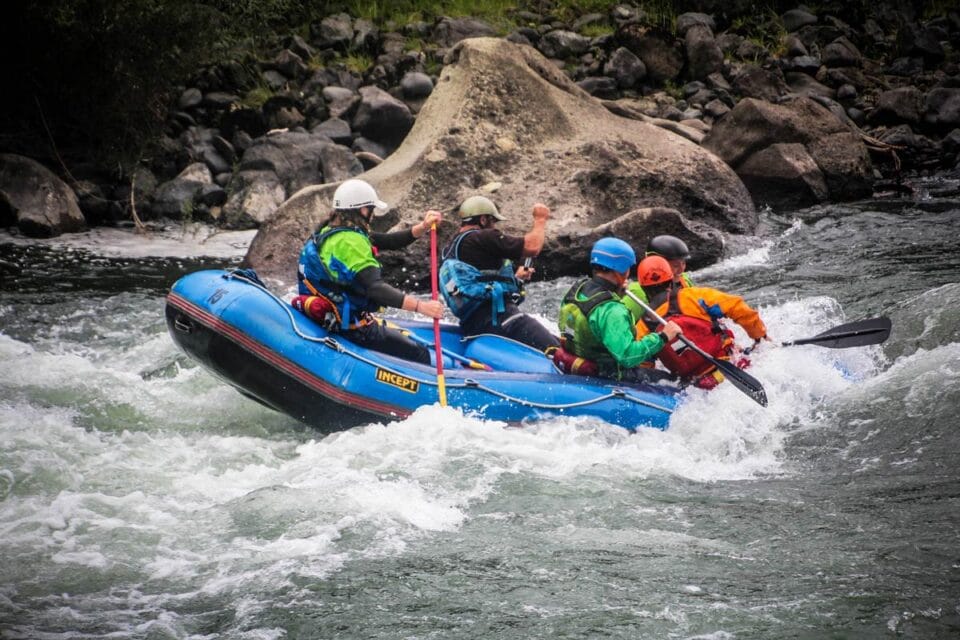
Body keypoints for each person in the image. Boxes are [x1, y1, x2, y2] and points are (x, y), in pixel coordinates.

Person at [294, 178, 444, 365]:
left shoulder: (332, 232)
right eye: (371, 209)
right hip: (353, 328)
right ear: (361, 210)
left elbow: (389, 241)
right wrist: (421, 307)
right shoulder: (351, 244)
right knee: (420, 353)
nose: (372, 215)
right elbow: (375, 289)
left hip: (334, 316)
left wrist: (422, 227)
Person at [438, 195, 559, 352]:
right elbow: (533, 246)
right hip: (503, 320)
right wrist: (540, 219)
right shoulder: (483, 237)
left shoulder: (449, 249)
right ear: (483, 220)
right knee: (558, 351)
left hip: (474, 326)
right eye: (493, 221)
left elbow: (479, 279)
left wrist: (516, 278)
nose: (495, 227)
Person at [555, 237, 682, 381]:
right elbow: (628, 357)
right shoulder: (612, 310)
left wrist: (615, 294)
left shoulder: (577, 288)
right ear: (620, 270)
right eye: (627, 269)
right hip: (606, 374)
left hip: (577, 360)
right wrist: (662, 337)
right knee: (672, 380)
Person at [633, 255, 769, 389]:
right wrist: (759, 336)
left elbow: (643, 364)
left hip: (697, 386)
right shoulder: (694, 296)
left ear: (644, 289)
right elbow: (737, 307)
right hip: (732, 365)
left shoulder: (643, 326)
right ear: (670, 281)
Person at [624, 234, 694, 321]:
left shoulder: (685, 280)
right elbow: (620, 325)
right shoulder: (638, 294)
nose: (681, 270)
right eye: (675, 265)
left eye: (683, 263)